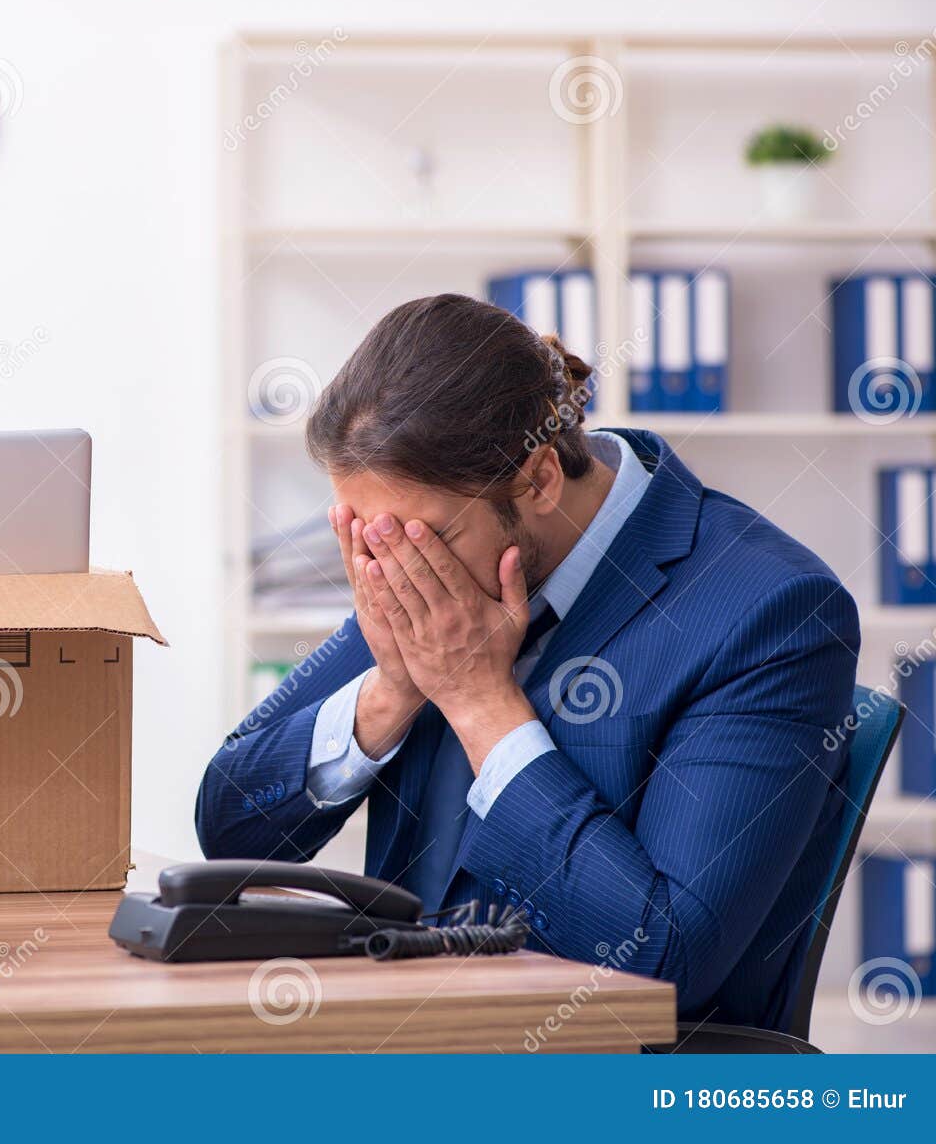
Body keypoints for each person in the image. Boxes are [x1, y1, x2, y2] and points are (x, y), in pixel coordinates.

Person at [195, 293, 860, 1032]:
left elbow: (661, 961)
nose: (395, 568)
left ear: (540, 479)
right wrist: (391, 692)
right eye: (368, 537)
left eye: (425, 539)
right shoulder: (423, 555)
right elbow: (231, 830)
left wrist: (482, 706)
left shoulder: (770, 610)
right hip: (401, 1045)